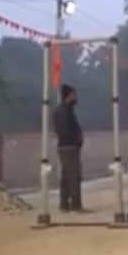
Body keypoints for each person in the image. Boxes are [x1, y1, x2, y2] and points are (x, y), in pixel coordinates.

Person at [53, 84, 85, 212]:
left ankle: (64, 204)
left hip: (64, 146)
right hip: (69, 147)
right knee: (73, 176)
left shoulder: (62, 110)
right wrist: (77, 140)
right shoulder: (65, 111)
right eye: (73, 94)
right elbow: (66, 130)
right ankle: (75, 205)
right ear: (69, 95)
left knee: (66, 176)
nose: (75, 97)